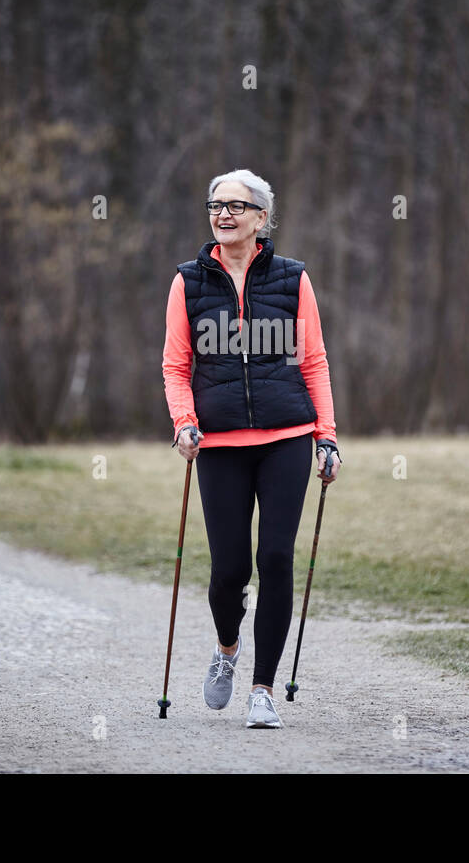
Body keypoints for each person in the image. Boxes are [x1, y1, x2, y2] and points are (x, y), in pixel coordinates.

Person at [162, 168, 341, 730]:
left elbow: (313, 360)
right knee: (229, 570)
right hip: (218, 444)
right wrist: (184, 423)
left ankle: (262, 689)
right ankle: (227, 648)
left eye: (236, 206)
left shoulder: (292, 279)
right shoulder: (188, 282)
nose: (223, 214)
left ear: (261, 218)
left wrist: (327, 436)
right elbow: (176, 365)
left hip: (286, 437)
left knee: (277, 560)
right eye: (215, 205)